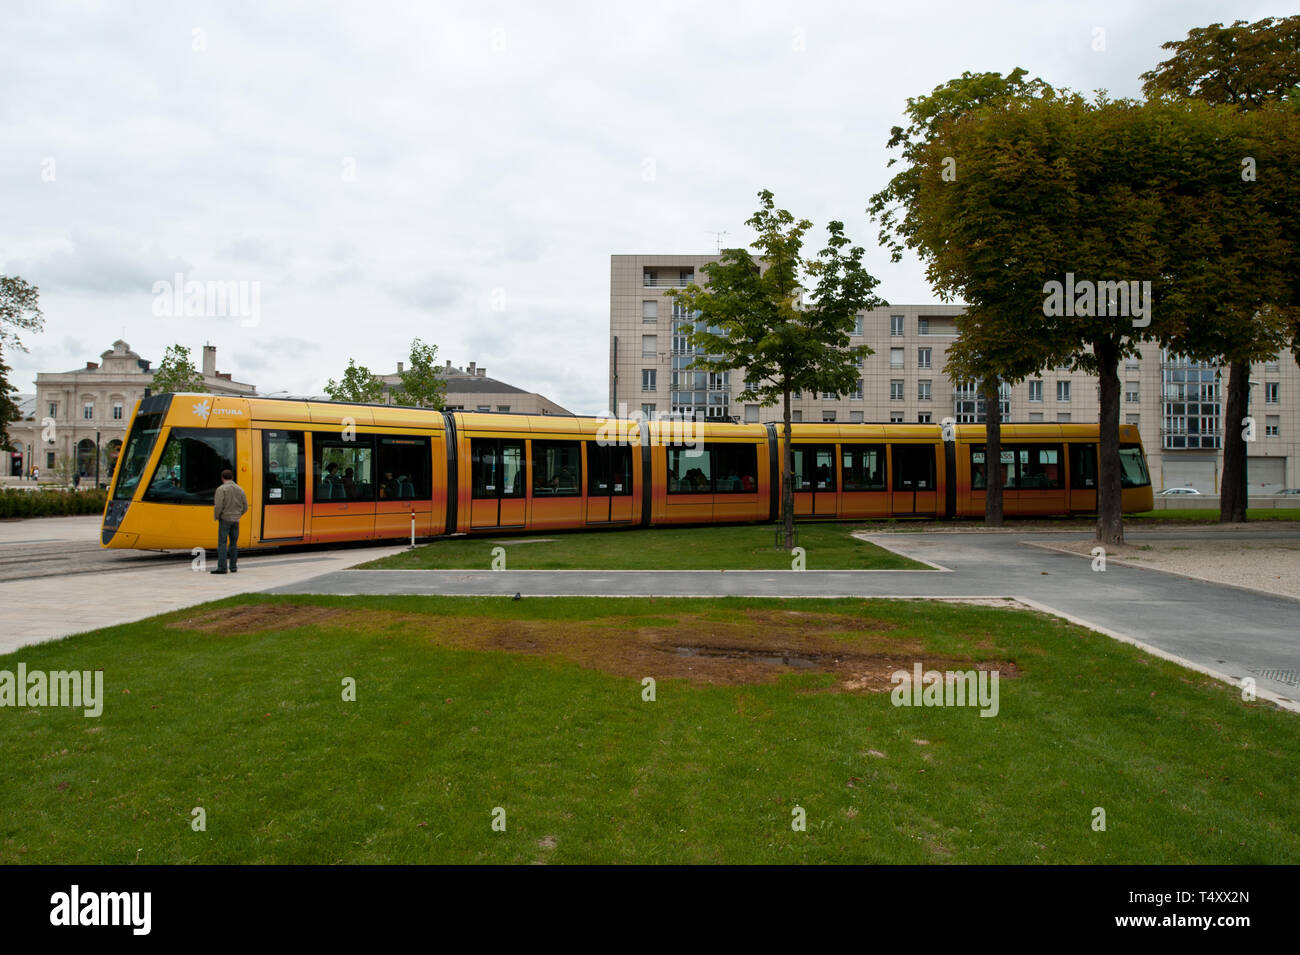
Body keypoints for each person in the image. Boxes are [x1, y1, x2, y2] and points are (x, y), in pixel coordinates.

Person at [211, 468, 248, 575]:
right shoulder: (240, 489)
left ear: (222, 478)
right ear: (232, 477)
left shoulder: (221, 489)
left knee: (222, 543)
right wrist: (238, 515)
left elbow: (218, 506)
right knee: (233, 544)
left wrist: (217, 516)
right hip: (236, 520)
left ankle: (222, 568)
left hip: (225, 519)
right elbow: (245, 506)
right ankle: (233, 567)